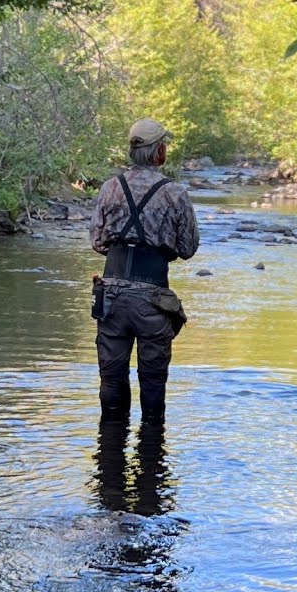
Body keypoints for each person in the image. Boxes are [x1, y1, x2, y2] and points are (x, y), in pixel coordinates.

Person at [89, 119, 199, 425]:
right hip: (152, 299)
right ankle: (151, 460)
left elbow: (97, 241)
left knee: (111, 381)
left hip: (110, 298)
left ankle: (109, 458)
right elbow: (188, 248)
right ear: (160, 151)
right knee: (152, 383)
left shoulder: (110, 188)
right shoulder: (174, 193)